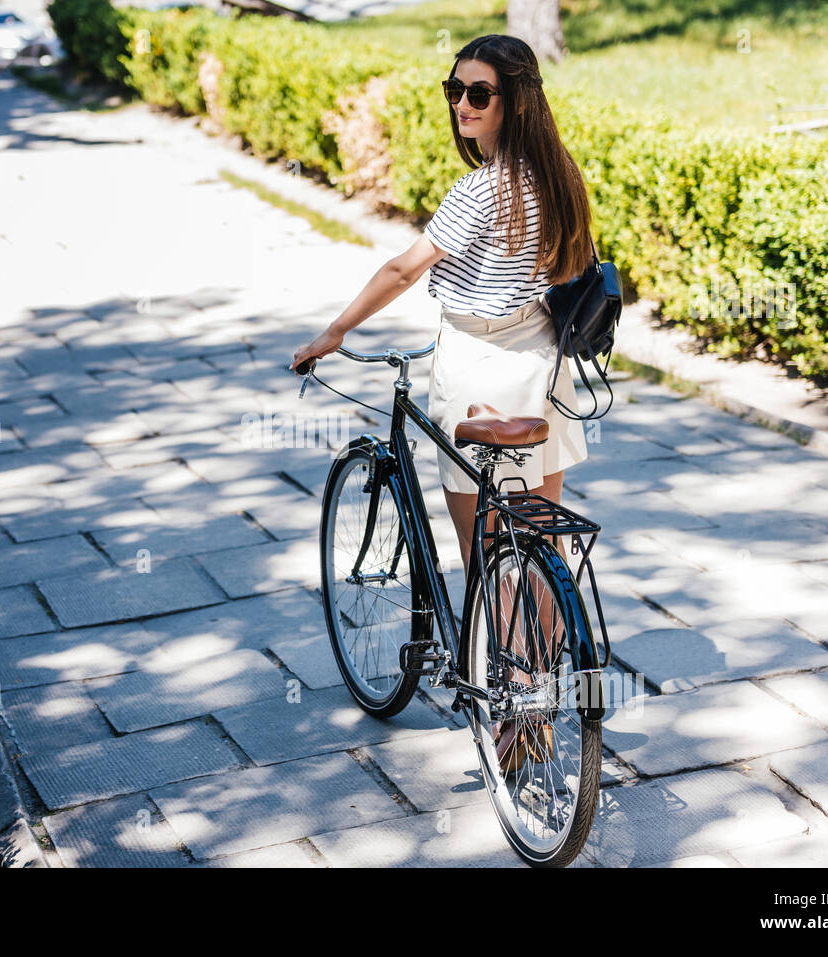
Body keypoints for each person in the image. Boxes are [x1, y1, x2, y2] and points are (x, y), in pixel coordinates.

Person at [291, 33, 596, 774]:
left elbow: (403, 268)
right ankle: (540, 697)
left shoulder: (481, 190)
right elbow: (571, 271)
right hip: (542, 373)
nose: (462, 104)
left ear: (513, 100)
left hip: (476, 373)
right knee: (539, 549)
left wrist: (335, 330)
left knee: (485, 554)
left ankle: (513, 704)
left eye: (479, 94)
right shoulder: (558, 177)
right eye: (453, 90)